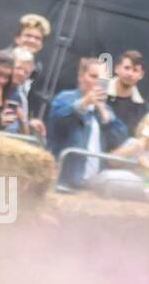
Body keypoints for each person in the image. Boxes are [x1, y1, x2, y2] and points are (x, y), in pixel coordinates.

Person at [47, 57, 127, 188]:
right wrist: (84, 103)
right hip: (64, 183)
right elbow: (58, 122)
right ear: (81, 77)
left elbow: (119, 140)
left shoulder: (105, 109)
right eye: (93, 76)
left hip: (93, 188)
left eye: (103, 79)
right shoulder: (65, 98)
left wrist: (105, 115)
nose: (98, 83)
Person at [97, 111, 149, 202]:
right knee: (110, 178)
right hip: (123, 180)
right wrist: (132, 149)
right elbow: (111, 161)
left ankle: (140, 195)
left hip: (146, 186)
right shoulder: (132, 142)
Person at [106, 49, 146, 135]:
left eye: (135, 70)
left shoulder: (142, 107)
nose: (130, 73)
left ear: (141, 75)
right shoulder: (101, 94)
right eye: (127, 68)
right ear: (117, 68)